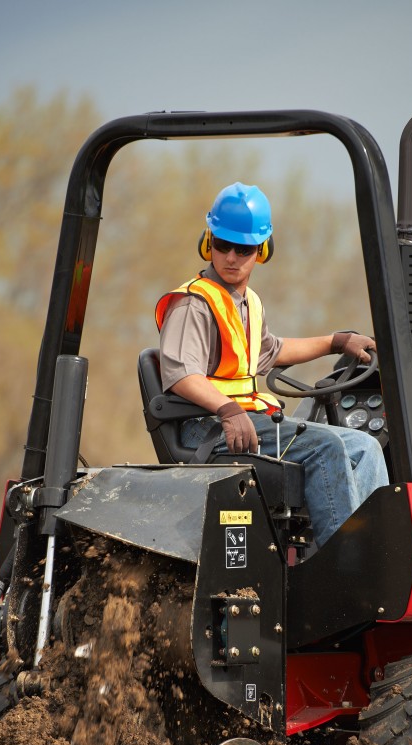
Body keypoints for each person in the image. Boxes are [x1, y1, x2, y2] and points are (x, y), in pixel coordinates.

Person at [155, 182, 388, 548]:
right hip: (209, 427)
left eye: (243, 248)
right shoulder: (193, 304)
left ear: (262, 250)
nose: (231, 257)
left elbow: (273, 351)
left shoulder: (246, 303)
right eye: (221, 245)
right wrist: (228, 410)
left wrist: (336, 341)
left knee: (365, 446)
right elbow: (181, 375)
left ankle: (374, 556)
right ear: (207, 242)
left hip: (246, 421)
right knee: (324, 447)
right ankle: (342, 567)